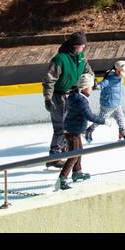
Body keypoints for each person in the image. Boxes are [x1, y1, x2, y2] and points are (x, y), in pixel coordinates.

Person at [42, 31, 94, 164]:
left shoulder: (80, 57)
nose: (83, 48)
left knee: (70, 126)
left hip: (73, 95)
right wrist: (48, 98)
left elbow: (87, 70)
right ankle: (54, 156)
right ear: (75, 45)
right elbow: (49, 80)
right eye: (81, 46)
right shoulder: (59, 59)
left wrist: (93, 80)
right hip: (59, 97)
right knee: (60, 126)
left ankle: (64, 149)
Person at [57, 72, 106, 189]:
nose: (91, 90)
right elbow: (89, 116)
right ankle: (61, 179)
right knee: (74, 155)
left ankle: (77, 172)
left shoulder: (74, 95)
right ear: (84, 88)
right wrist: (104, 121)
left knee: (79, 151)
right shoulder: (81, 100)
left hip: (73, 129)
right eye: (90, 87)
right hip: (72, 131)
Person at [87, 59, 125, 143]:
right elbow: (100, 86)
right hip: (107, 105)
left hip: (117, 103)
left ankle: (122, 132)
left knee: (120, 117)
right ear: (117, 71)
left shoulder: (120, 77)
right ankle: (89, 130)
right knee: (101, 120)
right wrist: (95, 85)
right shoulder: (109, 79)